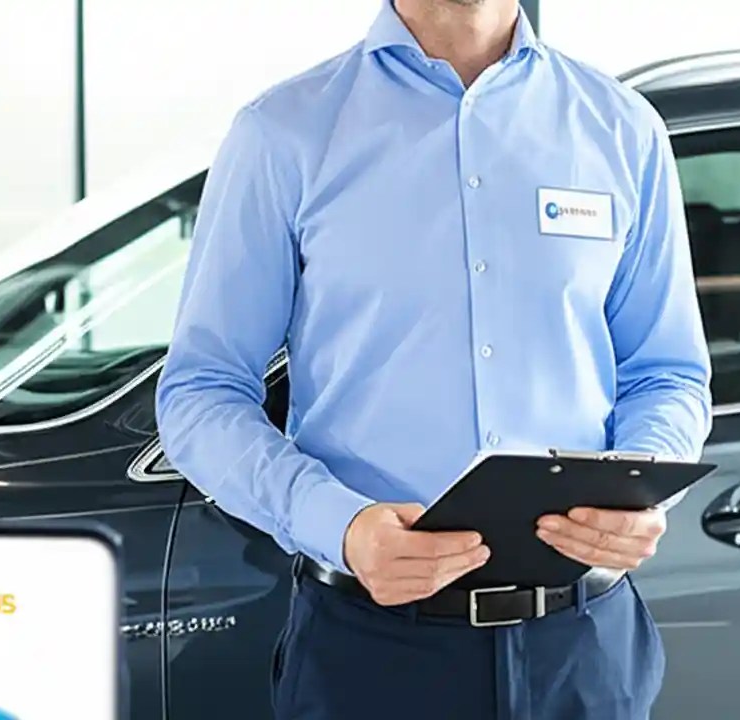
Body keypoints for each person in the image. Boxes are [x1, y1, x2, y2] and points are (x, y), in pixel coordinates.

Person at [154, 0, 712, 717]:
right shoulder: (284, 133)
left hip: (584, 649)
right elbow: (201, 392)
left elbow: (666, 372)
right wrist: (340, 526)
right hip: (371, 653)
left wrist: (640, 481)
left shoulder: (622, 129)